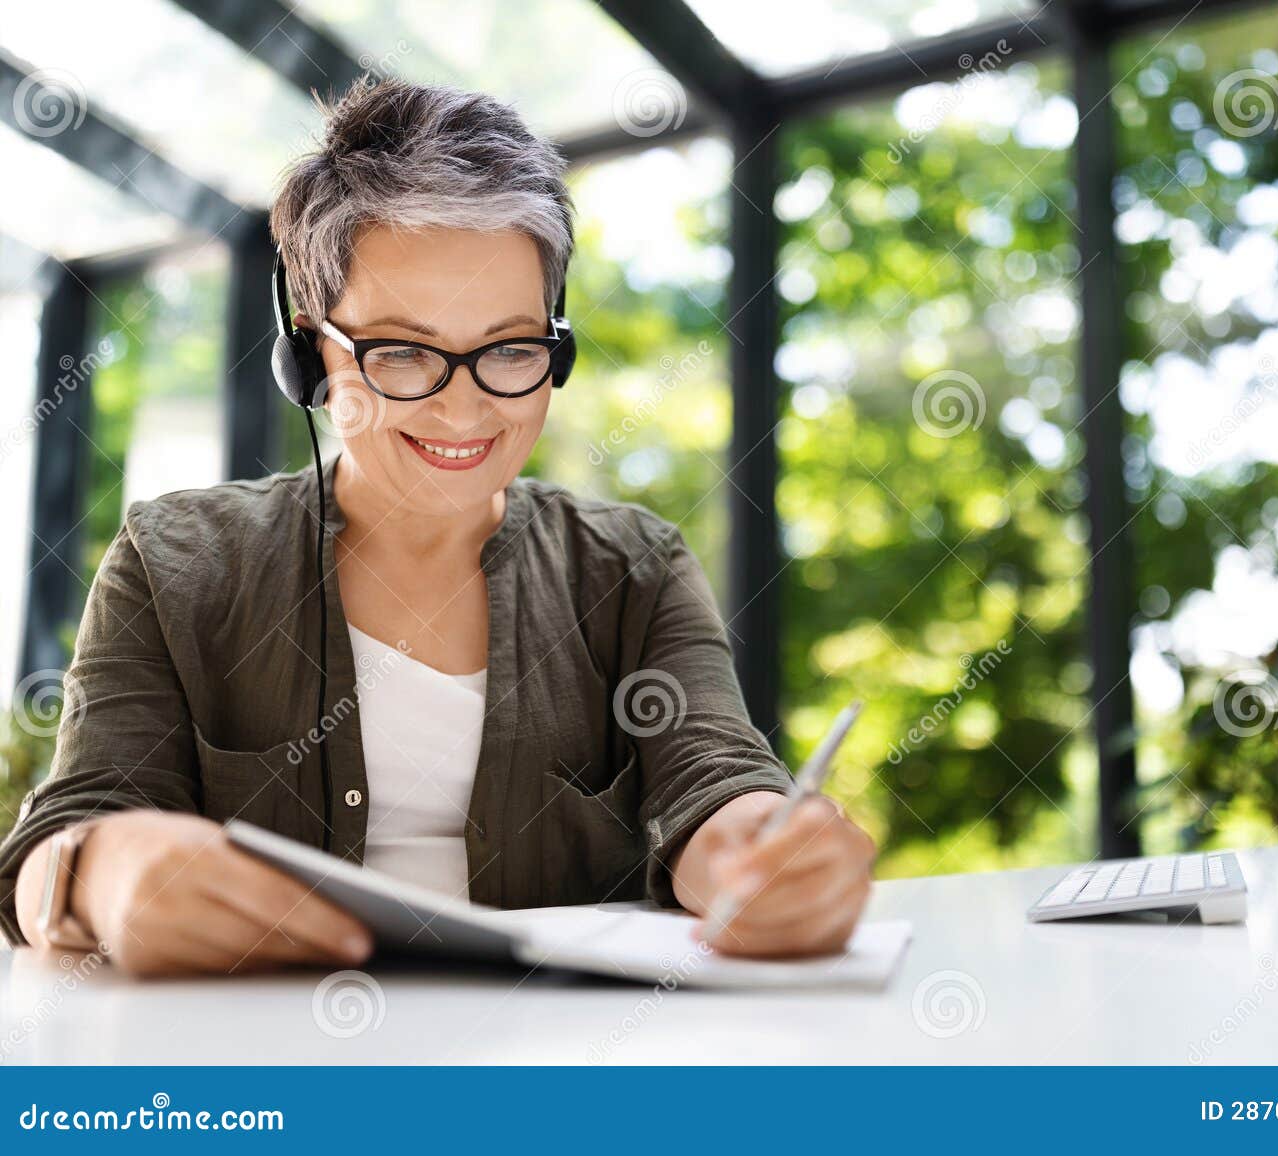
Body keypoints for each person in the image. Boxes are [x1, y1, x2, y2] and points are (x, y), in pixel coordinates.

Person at [0, 78, 875, 977]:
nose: (464, 409)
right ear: (308, 355)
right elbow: (65, 835)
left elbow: (714, 779)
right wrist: (103, 873)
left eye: (509, 348)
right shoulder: (174, 564)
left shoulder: (634, 570)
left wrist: (761, 859)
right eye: (404, 352)